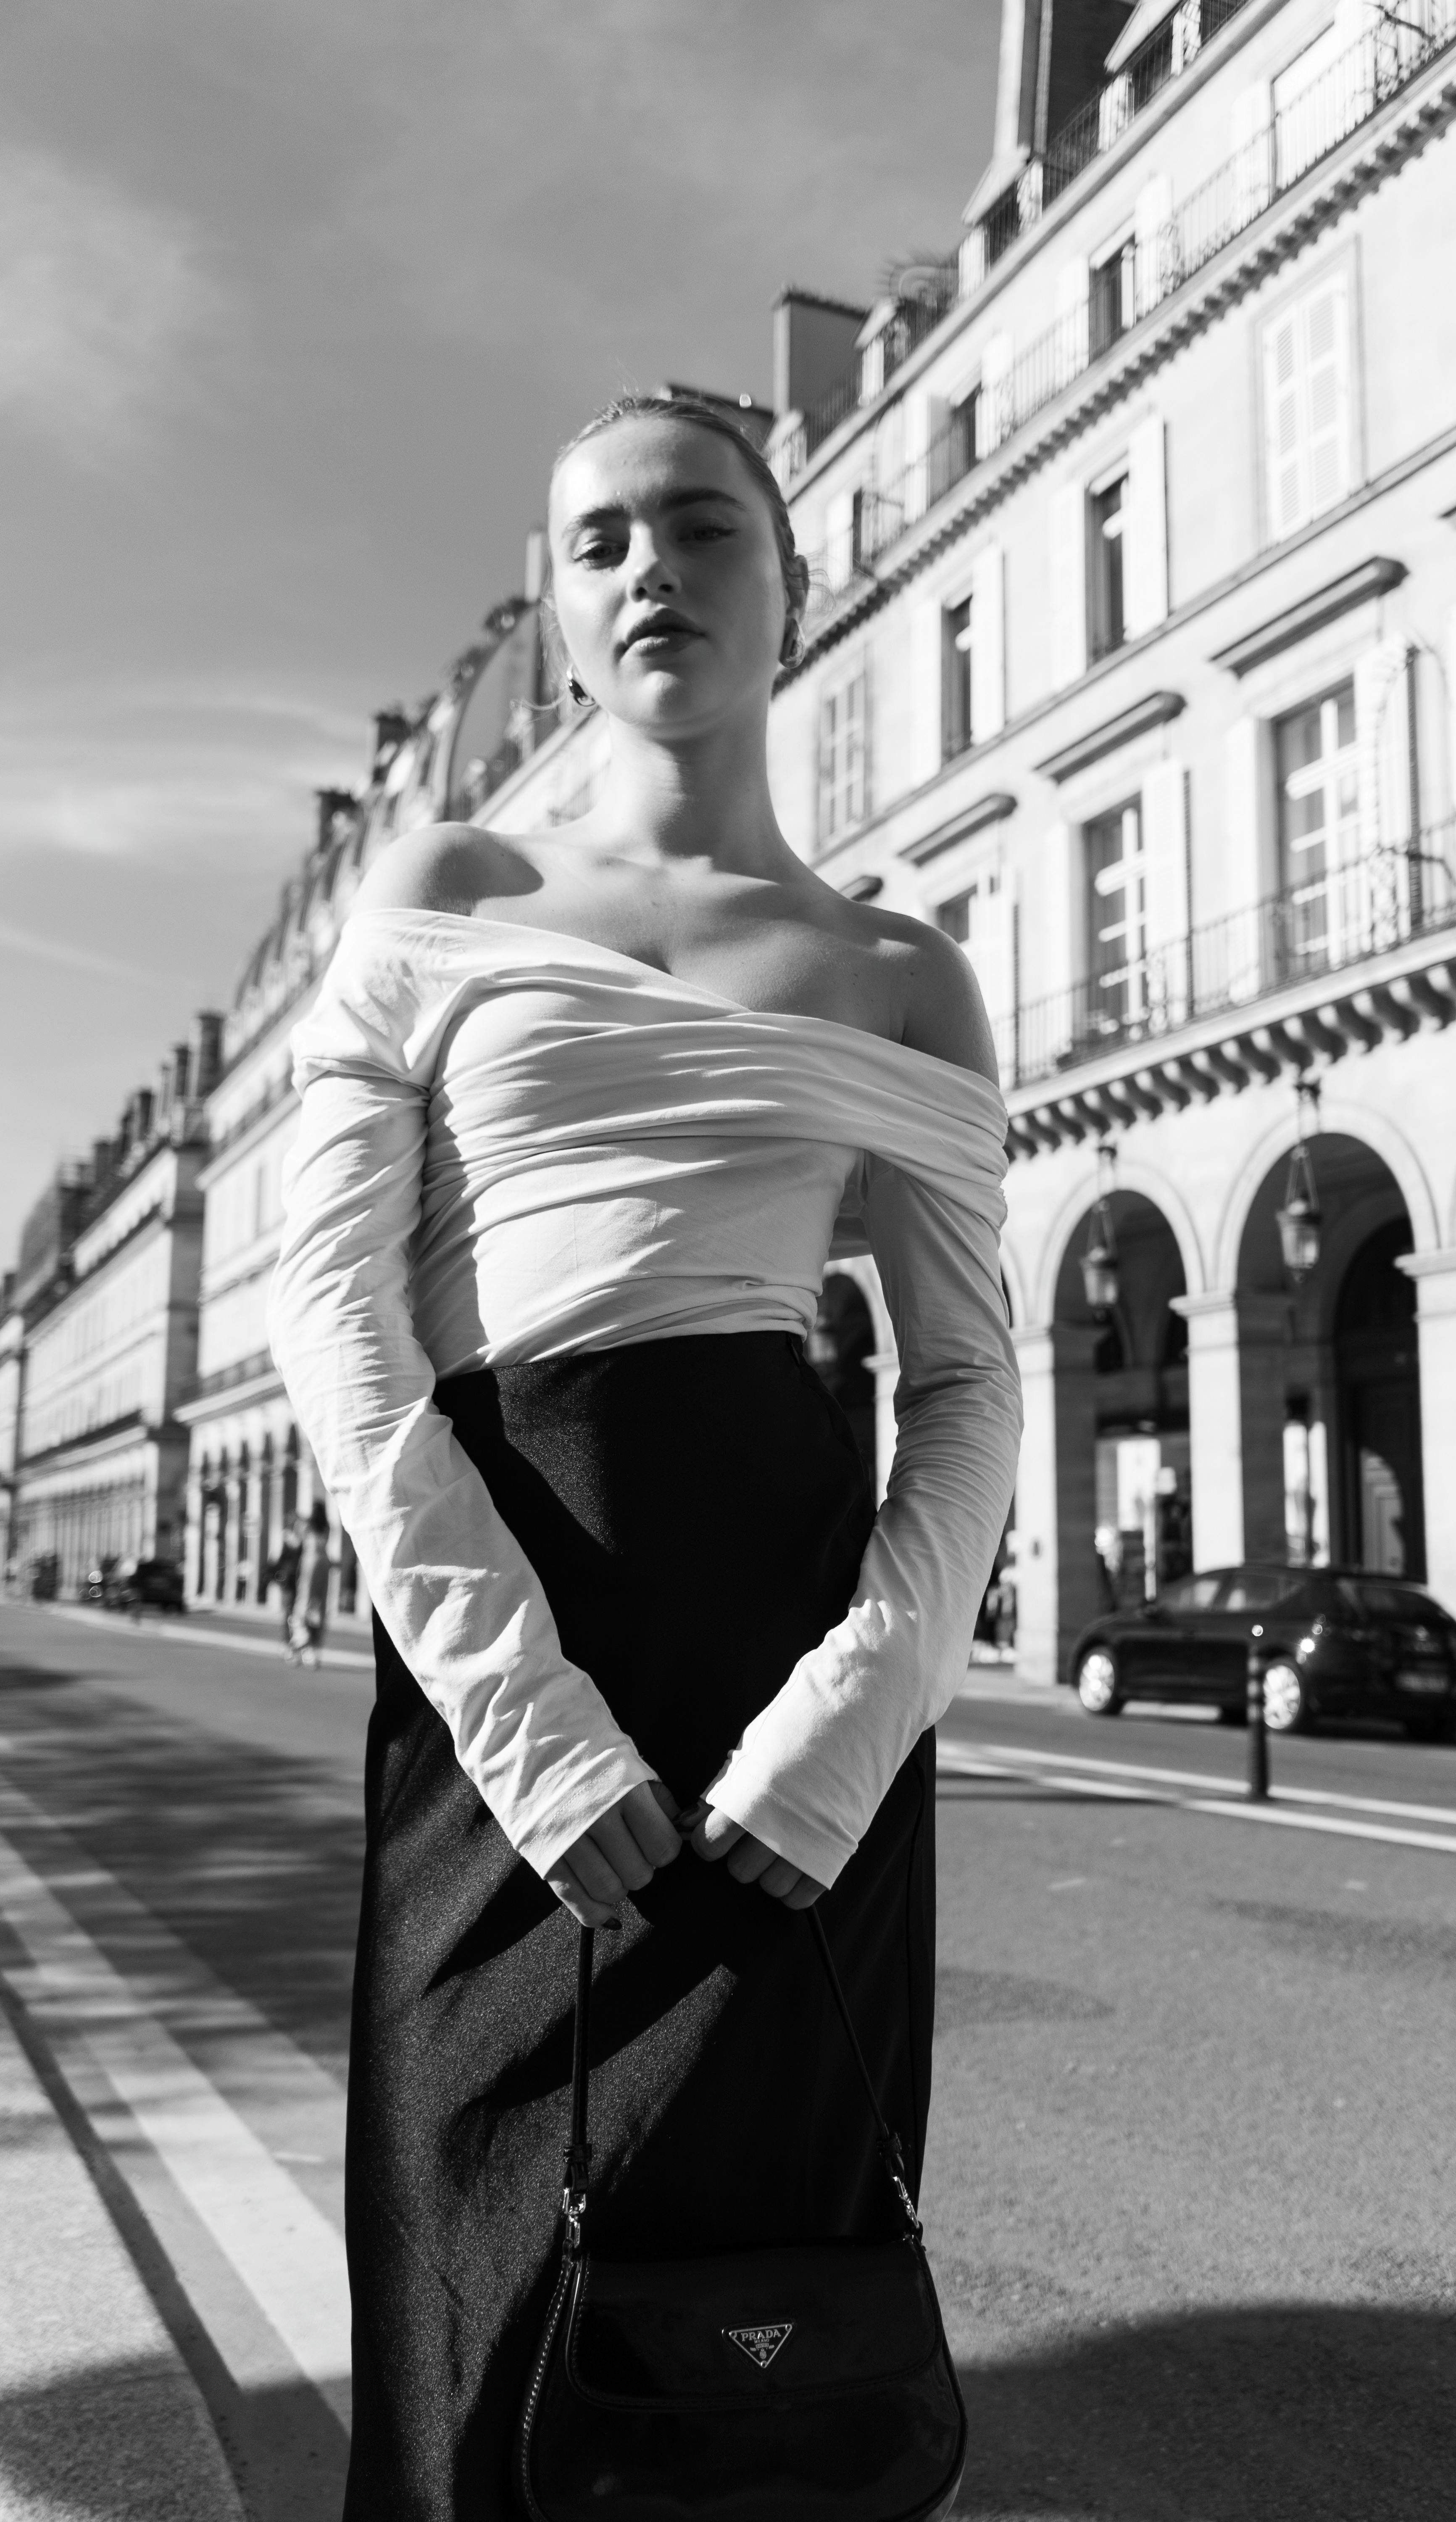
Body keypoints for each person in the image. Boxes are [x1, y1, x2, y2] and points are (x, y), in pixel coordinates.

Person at [269, 394, 1022, 2519]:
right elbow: (328, 1320)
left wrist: (855, 1719)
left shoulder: (900, 975)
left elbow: (966, 1381)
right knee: (481, 2303)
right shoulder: (453, 883)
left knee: (768, 2338)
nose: (644, 570)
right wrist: (526, 1722)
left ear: (795, 585)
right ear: (561, 610)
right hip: (509, 1662)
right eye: (594, 543)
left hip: (799, 1699)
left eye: (698, 527)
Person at [289, 1501, 332, 1670]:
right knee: (319, 1602)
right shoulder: (326, 1526)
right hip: (324, 1562)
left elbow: (294, 1542)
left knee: (304, 1600)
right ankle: (312, 1644)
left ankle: (300, 1639)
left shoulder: (307, 1525)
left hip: (311, 1561)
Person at [271, 1515, 304, 1658]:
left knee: (297, 1613)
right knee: (287, 1612)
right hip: (288, 1580)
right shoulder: (285, 1538)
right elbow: (277, 1559)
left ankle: (297, 1642)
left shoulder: (302, 1540)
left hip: (300, 1580)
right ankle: (287, 1642)